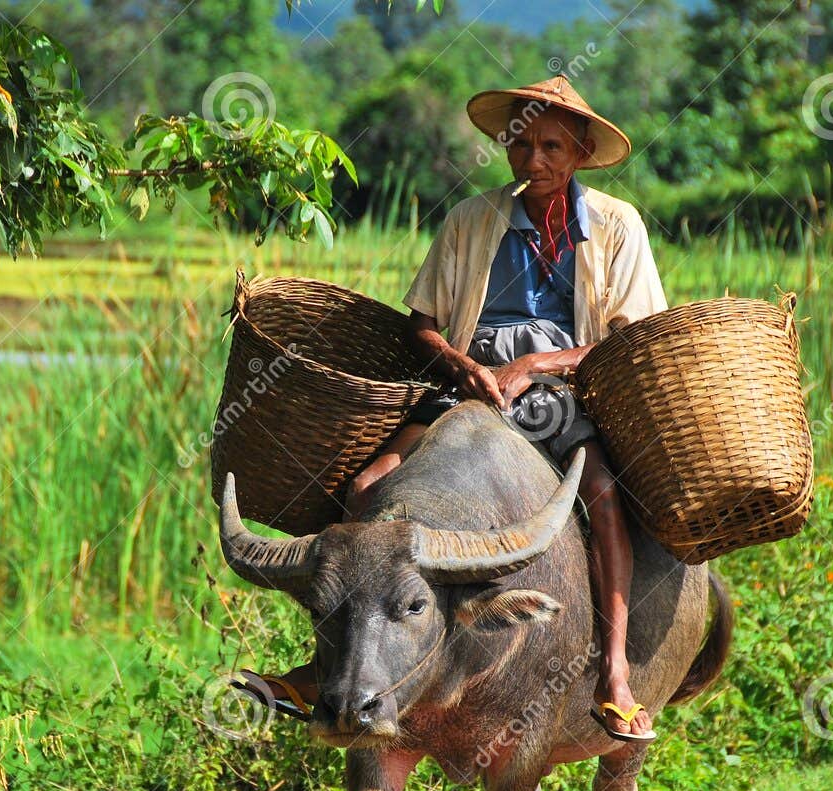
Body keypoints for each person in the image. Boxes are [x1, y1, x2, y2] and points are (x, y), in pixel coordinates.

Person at [234, 74, 668, 742]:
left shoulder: (616, 225)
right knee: (368, 485)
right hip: (467, 386)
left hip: (560, 393)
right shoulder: (471, 218)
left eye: (552, 147)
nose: (533, 160)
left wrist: (535, 366)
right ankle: (331, 667)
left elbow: (631, 339)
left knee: (604, 500)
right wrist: (463, 364)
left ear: (582, 153)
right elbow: (423, 325)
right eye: (521, 145)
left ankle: (614, 674)